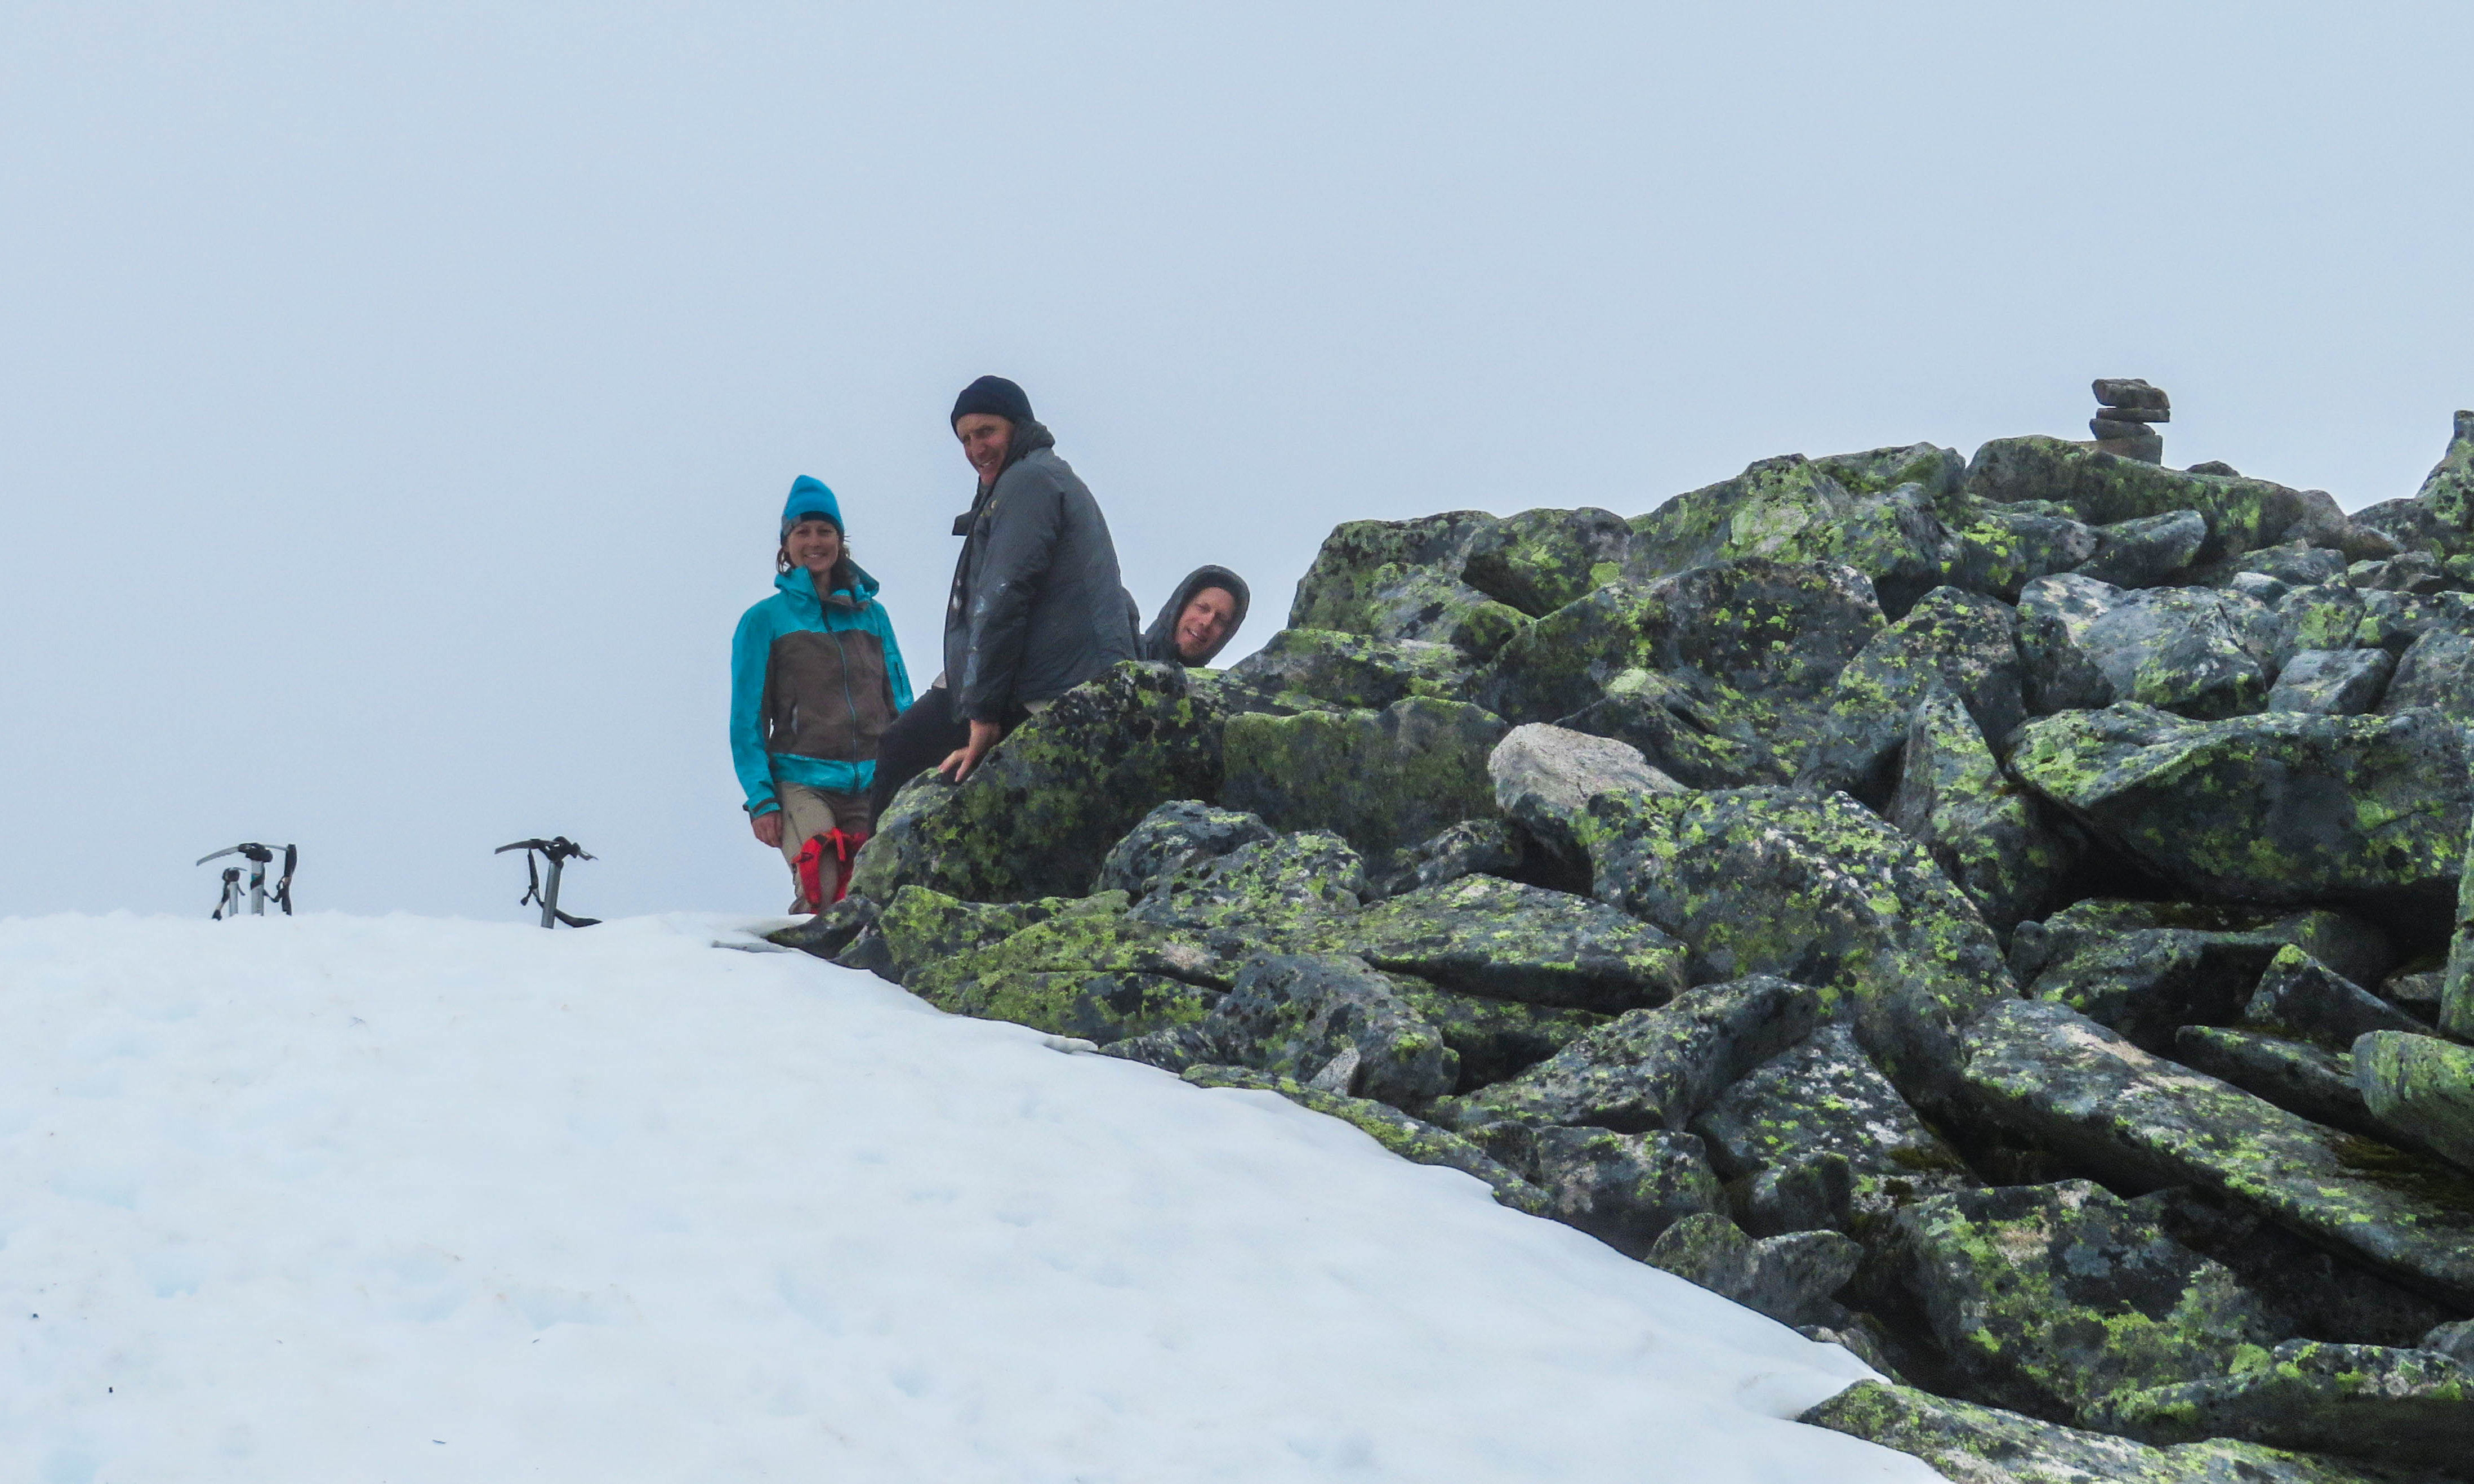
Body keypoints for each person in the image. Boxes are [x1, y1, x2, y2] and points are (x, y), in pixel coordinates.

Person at [867, 376, 1134, 818]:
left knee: (902, 749)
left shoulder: (1029, 481)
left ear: (1018, 426)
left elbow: (1002, 599)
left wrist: (983, 714)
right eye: (966, 439)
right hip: (1049, 680)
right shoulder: (1039, 478)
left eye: (986, 432)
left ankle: (871, 866)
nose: (976, 449)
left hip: (1046, 688)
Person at [731, 476, 912, 912]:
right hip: (802, 780)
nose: (814, 542)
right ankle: (806, 954)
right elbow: (747, 721)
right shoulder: (763, 621)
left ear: (840, 540)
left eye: (825, 531)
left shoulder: (873, 615)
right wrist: (761, 800)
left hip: (874, 782)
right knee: (822, 883)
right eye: (803, 532)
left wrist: (913, 771)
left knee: (874, 894)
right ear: (786, 544)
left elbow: (900, 701)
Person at [1134, 565, 1250, 666]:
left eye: (1221, 620)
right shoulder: (1127, 652)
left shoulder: (1209, 685)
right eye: (1202, 608)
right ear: (1180, 607)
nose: (1207, 622)